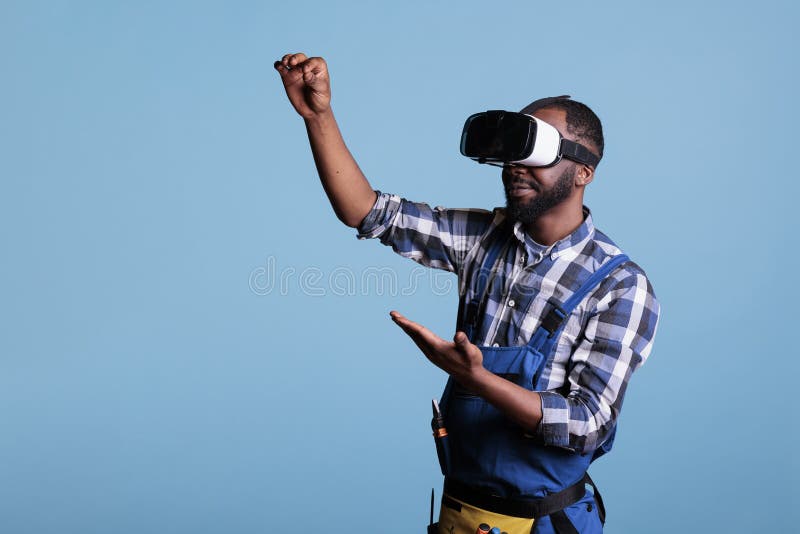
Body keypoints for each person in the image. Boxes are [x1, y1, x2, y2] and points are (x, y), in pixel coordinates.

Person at [274, 52, 660, 534]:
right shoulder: (483, 238)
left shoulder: (619, 286)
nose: (515, 167)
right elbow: (368, 212)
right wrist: (318, 116)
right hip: (460, 516)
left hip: (544, 524)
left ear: (584, 172)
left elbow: (588, 425)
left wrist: (480, 382)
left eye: (535, 153)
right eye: (512, 151)